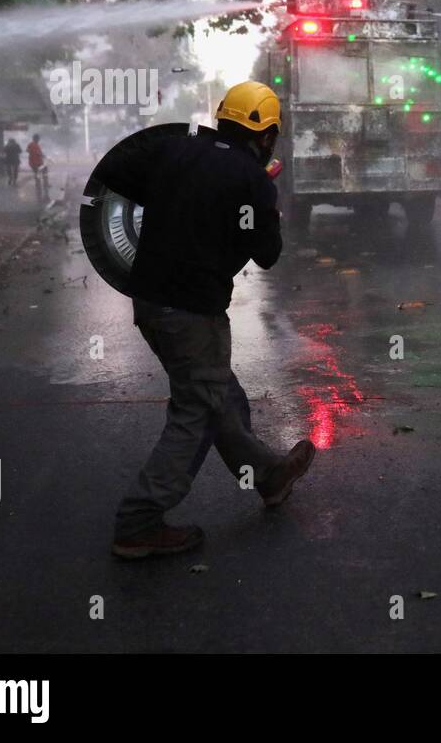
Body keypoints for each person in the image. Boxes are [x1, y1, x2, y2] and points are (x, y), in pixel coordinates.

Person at [99, 81, 315, 559]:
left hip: (151, 303)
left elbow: (114, 166)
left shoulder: (175, 150)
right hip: (193, 311)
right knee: (196, 411)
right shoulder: (251, 179)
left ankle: (269, 473)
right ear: (267, 134)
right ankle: (138, 521)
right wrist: (266, 205)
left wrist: (162, 191)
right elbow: (269, 255)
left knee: (221, 395)